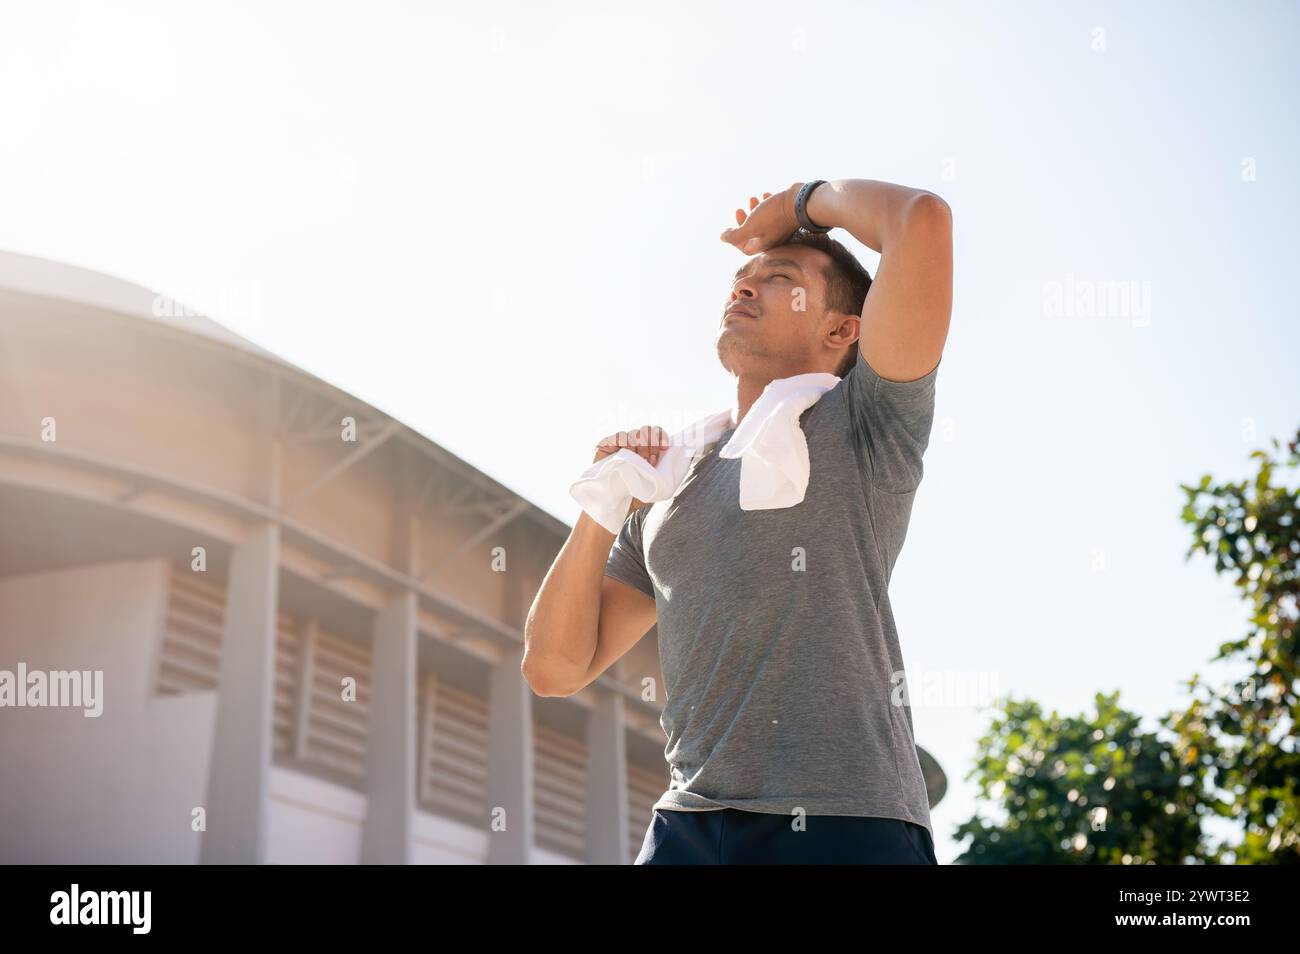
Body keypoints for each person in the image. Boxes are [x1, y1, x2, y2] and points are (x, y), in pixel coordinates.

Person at [523, 178, 953, 865]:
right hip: (688, 829)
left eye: (778, 278)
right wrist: (603, 506)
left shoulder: (868, 425)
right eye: (740, 279)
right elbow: (553, 668)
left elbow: (922, 220)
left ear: (842, 329)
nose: (742, 289)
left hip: (849, 822)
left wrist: (802, 203)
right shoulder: (668, 479)